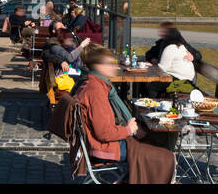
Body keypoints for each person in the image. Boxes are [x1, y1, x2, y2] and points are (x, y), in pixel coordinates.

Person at [72, 46, 173, 184]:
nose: (115, 67)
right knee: (165, 156)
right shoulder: (96, 92)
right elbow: (104, 133)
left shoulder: (93, 84)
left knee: (153, 141)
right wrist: (128, 130)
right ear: (98, 66)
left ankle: (134, 177)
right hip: (103, 148)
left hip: (101, 143)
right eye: (111, 64)